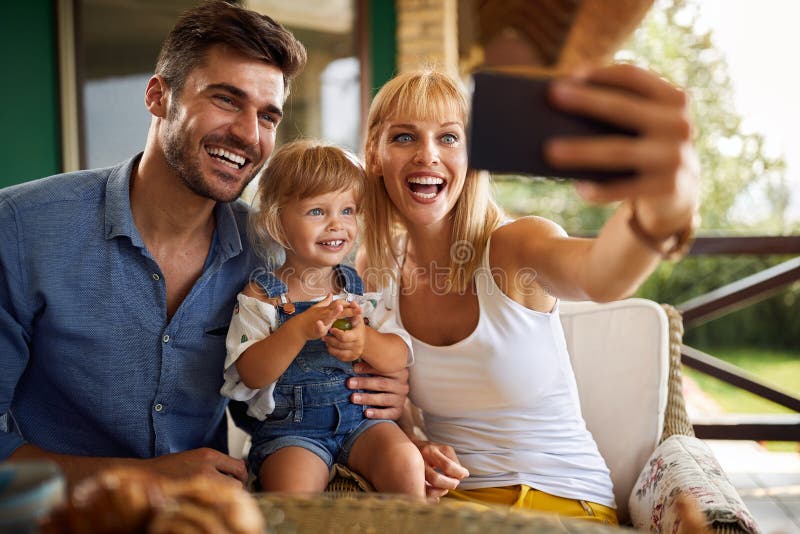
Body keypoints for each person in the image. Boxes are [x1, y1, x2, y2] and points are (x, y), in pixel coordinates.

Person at [0, 0, 408, 488]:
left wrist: (386, 425)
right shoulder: (20, 228)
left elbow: (276, 406)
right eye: (226, 100)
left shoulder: (270, 253)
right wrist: (145, 478)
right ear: (158, 97)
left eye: (268, 116)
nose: (248, 134)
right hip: (58, 515)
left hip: (211, 510)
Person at [360, 66, 699, 523]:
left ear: (474, 154)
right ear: (375, 154)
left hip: (563, 501)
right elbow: (385, 403)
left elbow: (600, 275)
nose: (428, 155)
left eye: (449, 138)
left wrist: (659, 213)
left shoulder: (515, 247)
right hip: (456, 510)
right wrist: (413, 442)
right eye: (404, 137)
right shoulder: (373, 268)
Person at [220, 140, 424, 496]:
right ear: (277, 221)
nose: (336, 225)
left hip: (363, 423)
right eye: (317, 211)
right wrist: (297, 330)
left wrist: (365, 341)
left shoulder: (358, 289)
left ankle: (412, 520)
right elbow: (250, 373)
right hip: (292, 433)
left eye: (347, 211)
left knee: (406, 462)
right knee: (293, 488)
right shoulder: (263, 296)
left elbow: (398, 356)